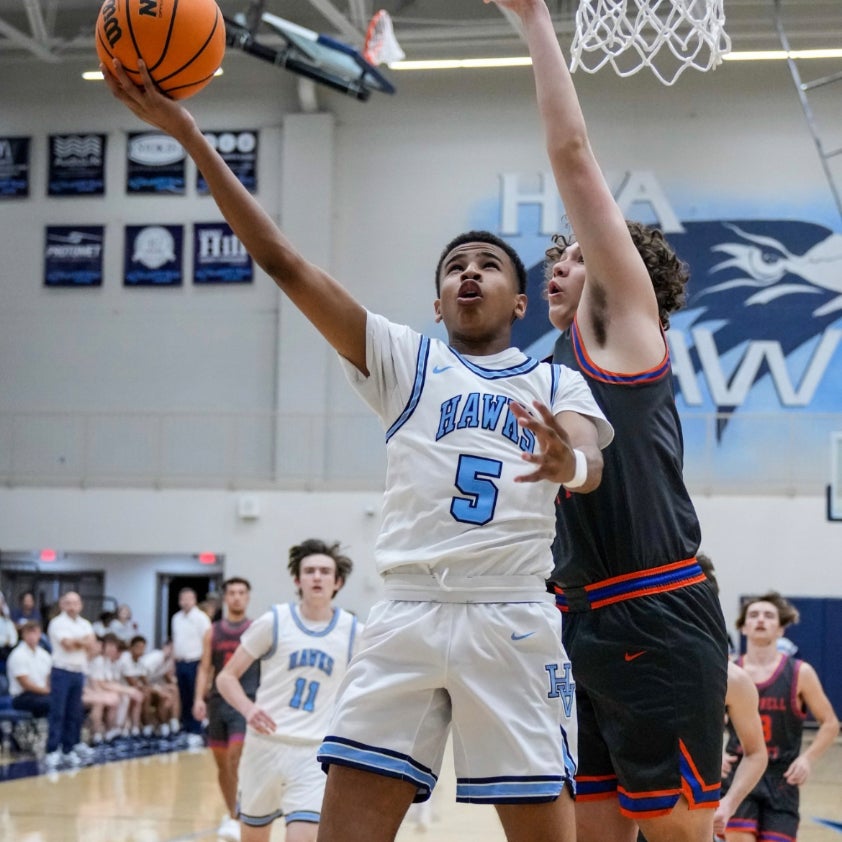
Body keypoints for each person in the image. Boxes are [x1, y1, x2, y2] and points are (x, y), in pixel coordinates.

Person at [100, 40, 613, 842]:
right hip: (405, 615)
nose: (469, 274)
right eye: (453, 269)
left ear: (520, 303)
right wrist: (192, 136)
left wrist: (569, 462)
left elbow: (591, 457)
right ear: (438, 304)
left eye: (487, 265)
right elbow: (282, 260)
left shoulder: (554, 382)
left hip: (510, 616)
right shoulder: (403, 360)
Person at [488, 2, 731, 840]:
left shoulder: (630, 329)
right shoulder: (553, 375)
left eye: (580, 252)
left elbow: (571, 156)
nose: (561, 263)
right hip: (577, 619)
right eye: (555, 256)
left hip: (655, 610)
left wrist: (533, 23)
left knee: (675, 835)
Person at [216, 540, 362, 842]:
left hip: (313, 752)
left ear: (338, 582)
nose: (317, 577)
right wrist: (248, 708)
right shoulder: (275, 622)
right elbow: (226, 678)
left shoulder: (353, 631)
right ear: (297, 580)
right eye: (309, 571)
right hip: (264, 748)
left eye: (325, 571)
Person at [722, 592, 840, 842]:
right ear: (743, 627)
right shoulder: (730, 672)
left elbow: (830, 723)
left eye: (768, 615)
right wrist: (714, 755)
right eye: (753, 615)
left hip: (782, 777)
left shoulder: (800, 672)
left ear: (781, 629)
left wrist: (807, 759)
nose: (760, 620)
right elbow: (704, 720)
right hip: (741, 770)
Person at [193, 577, 259, 842]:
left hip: (245, 702)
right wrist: (199, 698)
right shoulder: (213, 631)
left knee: (236, 757)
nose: (236, 597)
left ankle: (245, 813)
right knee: (223, 766)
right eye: (232, 593)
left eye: (241, 592)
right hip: (217, 703)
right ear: (225, 597)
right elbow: (205, 667)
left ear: (248, 597)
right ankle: (233, 814)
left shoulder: (256, 629)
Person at [44, 591, 96, 768]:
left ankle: (70, 748)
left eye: (76, 602)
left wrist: (79, 642)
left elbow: (93, 645)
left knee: (75, 712)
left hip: (78, 671)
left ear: (81, 605)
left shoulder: (85, 623)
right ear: (62, 605)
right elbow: (67, 645)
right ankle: (52, 750)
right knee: (58, 712)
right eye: (68, 603)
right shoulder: (57, 623)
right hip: (61, 671)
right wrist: (83, 642)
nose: (72, 606)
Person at [170, 587, 211, 743]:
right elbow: (175, 641)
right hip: (181, 662)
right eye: (183, 598)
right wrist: (173, 663)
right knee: (183, 696)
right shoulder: (176, 618)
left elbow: (207, 642)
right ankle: (186, 727)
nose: (185, 601)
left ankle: (196, 728)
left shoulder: (201, 618)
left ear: (194, 600)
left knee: (196, 696)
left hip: (196, 662)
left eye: (189, 598)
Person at [6, 620, 52, 719]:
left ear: (40, 634)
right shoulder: (17, 654)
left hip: (43, 694)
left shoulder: (45, 655)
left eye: (34, 632)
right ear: (23, 635)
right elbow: (25, 683)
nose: (32, 636)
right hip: (22, 697)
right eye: (28, 633)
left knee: (64, 702)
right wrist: (47, 691)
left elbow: (50, 676)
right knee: (52, 703)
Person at [0, 591, 19, 670]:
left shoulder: (6, 620)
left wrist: (7, 641)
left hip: (7, 652)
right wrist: (5, 641)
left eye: (1, 601)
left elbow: (13, 638)